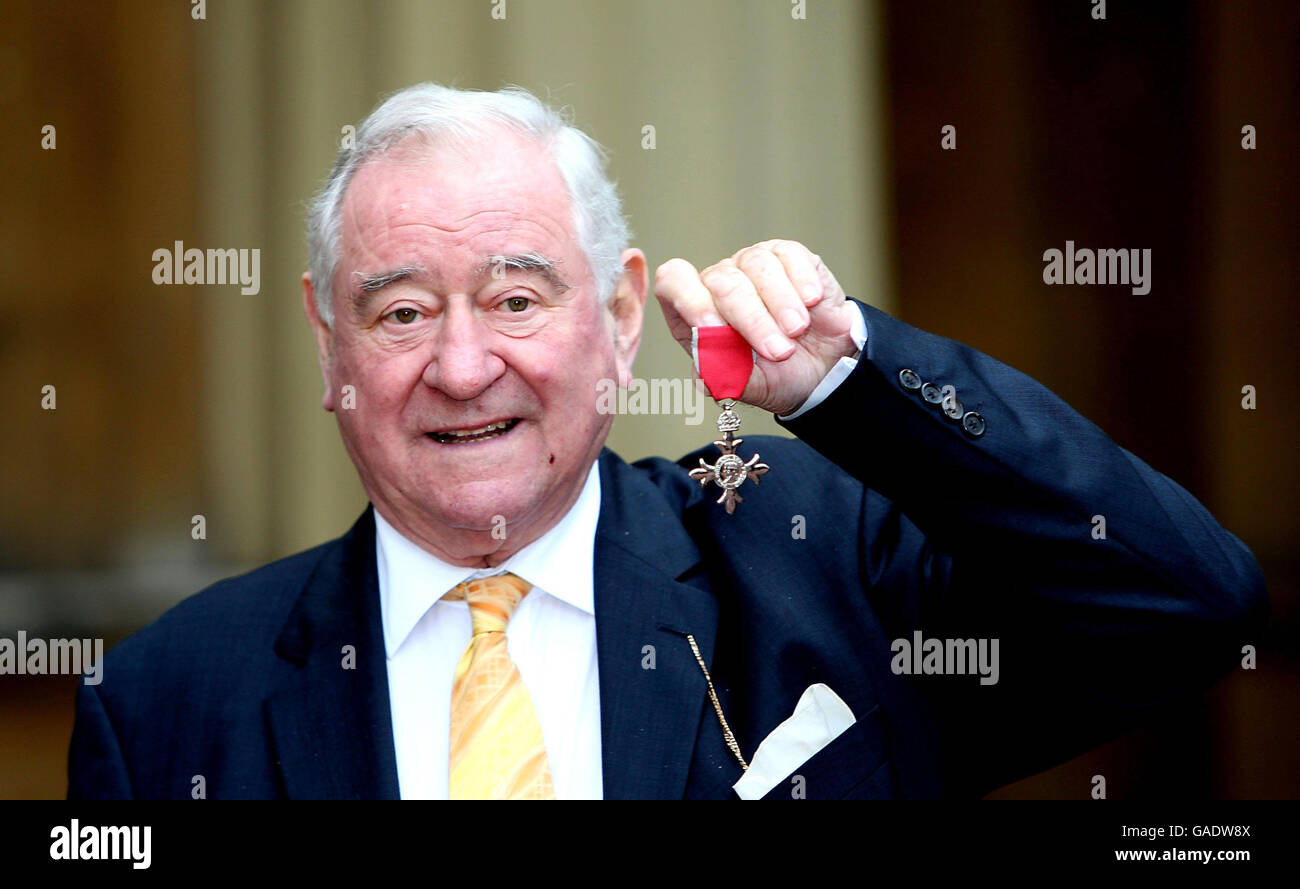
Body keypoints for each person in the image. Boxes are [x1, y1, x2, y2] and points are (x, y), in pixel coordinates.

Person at [68, 83, 1266, 799]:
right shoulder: (169, 704)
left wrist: (852, 380)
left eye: (517, 297)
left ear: (622, 315)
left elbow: (1181, 603)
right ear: (330, 343)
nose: (463, 363)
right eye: (399, 311)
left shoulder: (811, 557)